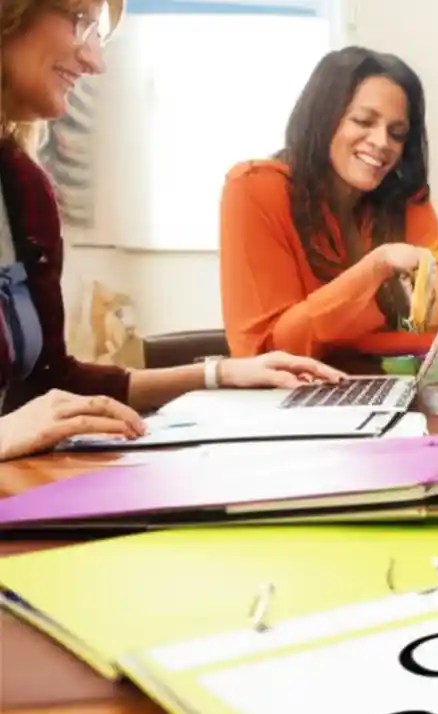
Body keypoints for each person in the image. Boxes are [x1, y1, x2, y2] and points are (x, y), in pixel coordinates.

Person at [0, 0, 343, 461]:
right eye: (79, 21)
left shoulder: (22, 188)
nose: (94, 61)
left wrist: (220, 376)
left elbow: (49, 384)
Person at [220, 46, 438, 360]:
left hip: (377, 393)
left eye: (397, 133)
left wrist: (352, 346)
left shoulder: (406, 200)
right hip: (286, 401)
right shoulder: (254, 188)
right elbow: (264, 351)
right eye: (364, 121)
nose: (382, 143)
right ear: (323, 118)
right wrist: (375, 268)